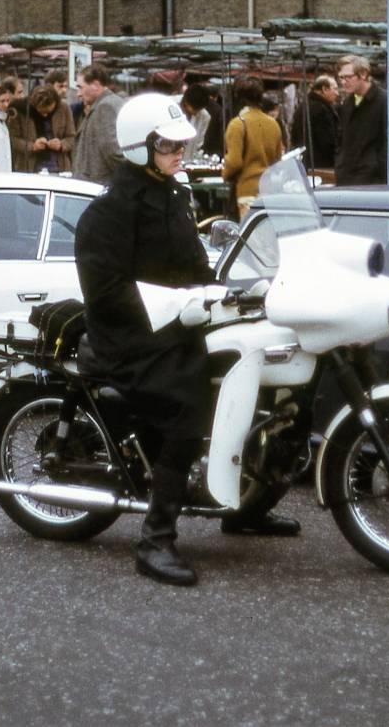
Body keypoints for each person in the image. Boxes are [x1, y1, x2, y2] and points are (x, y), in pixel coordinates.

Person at [74, 93, 298, 587]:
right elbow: (106, 294)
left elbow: (195, 266)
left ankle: (246, 504)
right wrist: (181, 306)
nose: (181, 153)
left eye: (182, 144)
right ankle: (155, 539)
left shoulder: (174, 194)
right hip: (131, 339)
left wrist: (231, 290)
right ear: (140, 147)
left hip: (181, 324)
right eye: (170, 145)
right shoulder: (110, 212)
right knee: (186, 406)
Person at [222, 76, 284, 218]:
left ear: (238, 97)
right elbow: (277, 160)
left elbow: (234, 162)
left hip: (247, 192)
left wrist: (225, 174)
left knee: (250, 238)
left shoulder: (237, 124)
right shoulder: (273, 124)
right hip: (269, 192)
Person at [335, 54, 388, 185]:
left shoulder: (384, 101)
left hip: (372, 181)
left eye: (348, 77)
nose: (343, 82)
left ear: (363, 74)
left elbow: (387, 142)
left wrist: (376, 169)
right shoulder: (348, 103)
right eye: (341, 77)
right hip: (347, 176)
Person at [71, 63, 125, 184]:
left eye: (81, 87)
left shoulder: (105, 107)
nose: (78, 94)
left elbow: (113, 153)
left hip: (96, 185)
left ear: (95, 85)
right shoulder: (108, 103)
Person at [9, 84, 75, 173]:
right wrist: (32, 146)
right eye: (41, 111)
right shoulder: (20, 111)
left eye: (48, 112)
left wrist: (61, 144)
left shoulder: (64, 108)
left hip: (60, 167)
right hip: (29, 168)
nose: (45, 115)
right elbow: (12, 139)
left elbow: (72, 137)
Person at [290, 74, 341, 169]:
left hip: (303, 163)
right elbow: (328, 143)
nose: (337, 94)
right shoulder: (321, 109)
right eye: (335, 89)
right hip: (321, 166)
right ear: (324, 89)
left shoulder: (302, 106)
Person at [178, 83, 212, 161]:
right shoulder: (170, 105)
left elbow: (199, 143)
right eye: (195, 110)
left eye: (199, 110)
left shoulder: (205, 116)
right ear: (186, 102)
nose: (197, 113)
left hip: (188, 161)